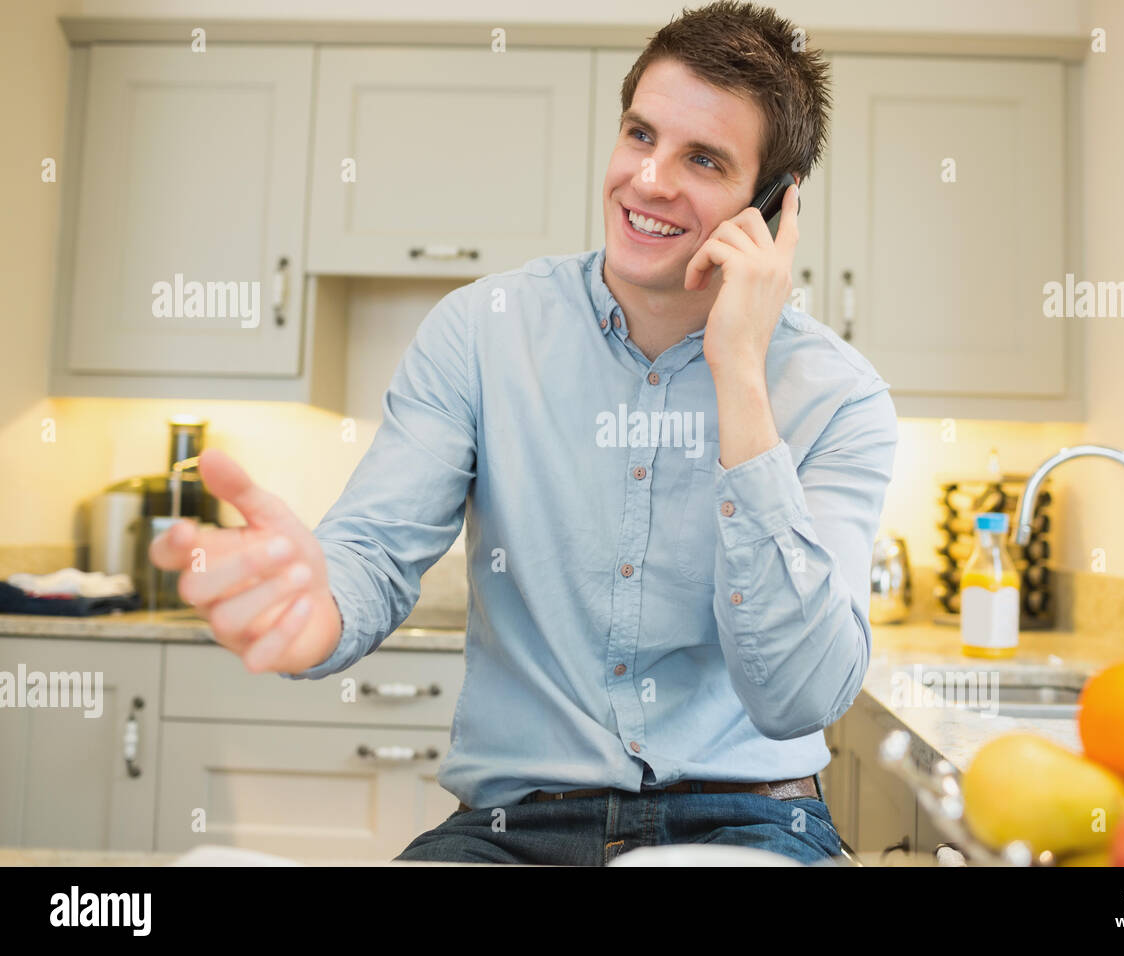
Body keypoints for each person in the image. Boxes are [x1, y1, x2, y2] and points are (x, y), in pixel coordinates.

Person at [150, 0, 898, 866]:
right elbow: (371, 553)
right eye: (639, 134)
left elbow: (799, 695)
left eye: (702, 158)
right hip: (515, 829)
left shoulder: (839, 399)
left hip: (750, 822)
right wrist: (314, 606)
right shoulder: (480, 333)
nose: (649, 180)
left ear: (770, 208)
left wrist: (739, 370)